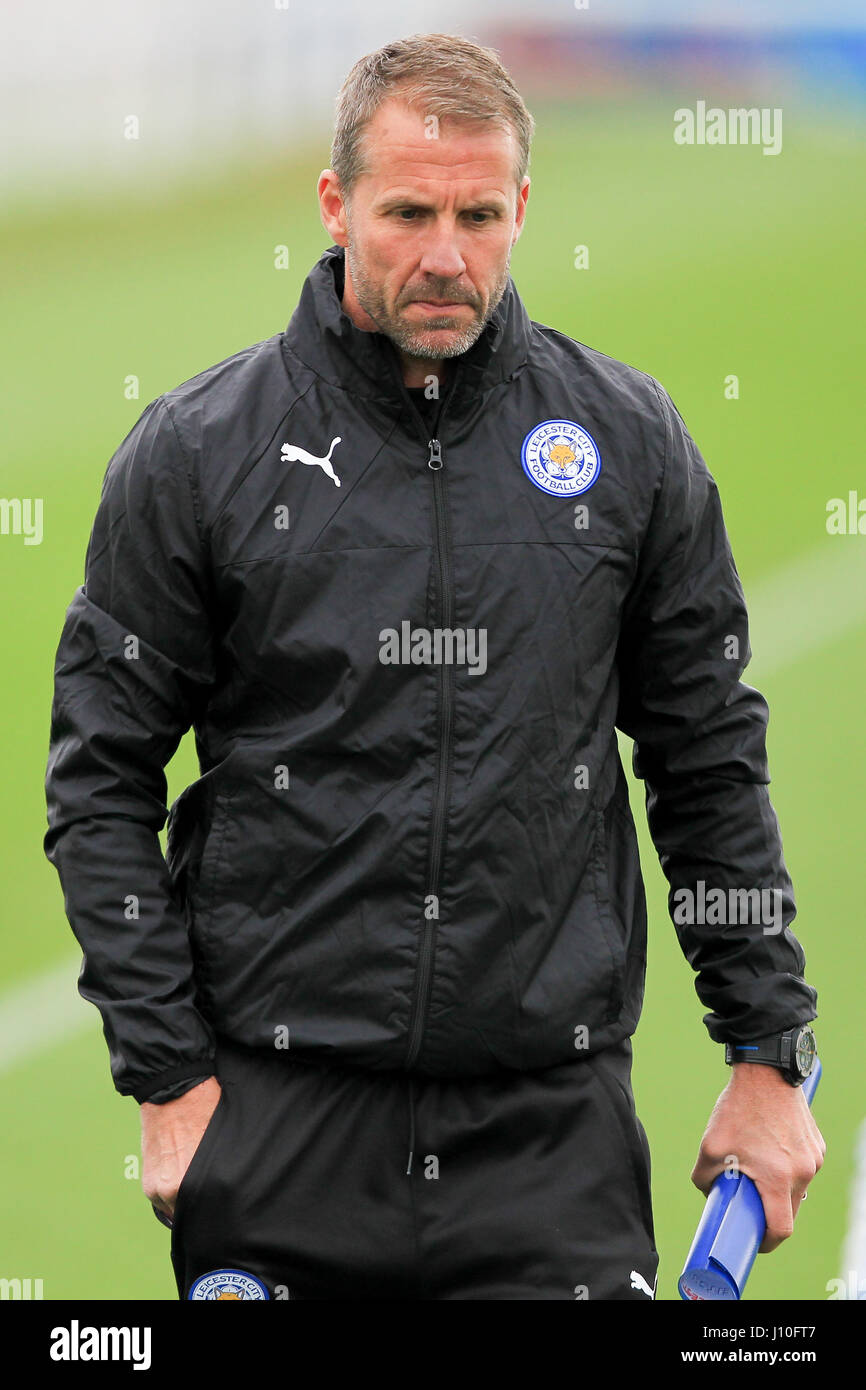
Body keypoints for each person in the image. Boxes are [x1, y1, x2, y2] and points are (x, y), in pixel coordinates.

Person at [43, 32, 824, 1302]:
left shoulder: (626, 444)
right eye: (407, 211)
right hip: (283, 1127)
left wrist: (763, 1047)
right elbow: (99, 787)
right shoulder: (196, 454)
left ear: (522, 207)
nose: (446, 255)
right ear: (334, 203)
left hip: (547, 1132)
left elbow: (706, 760)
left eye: (478, 212)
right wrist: (169, 1080)